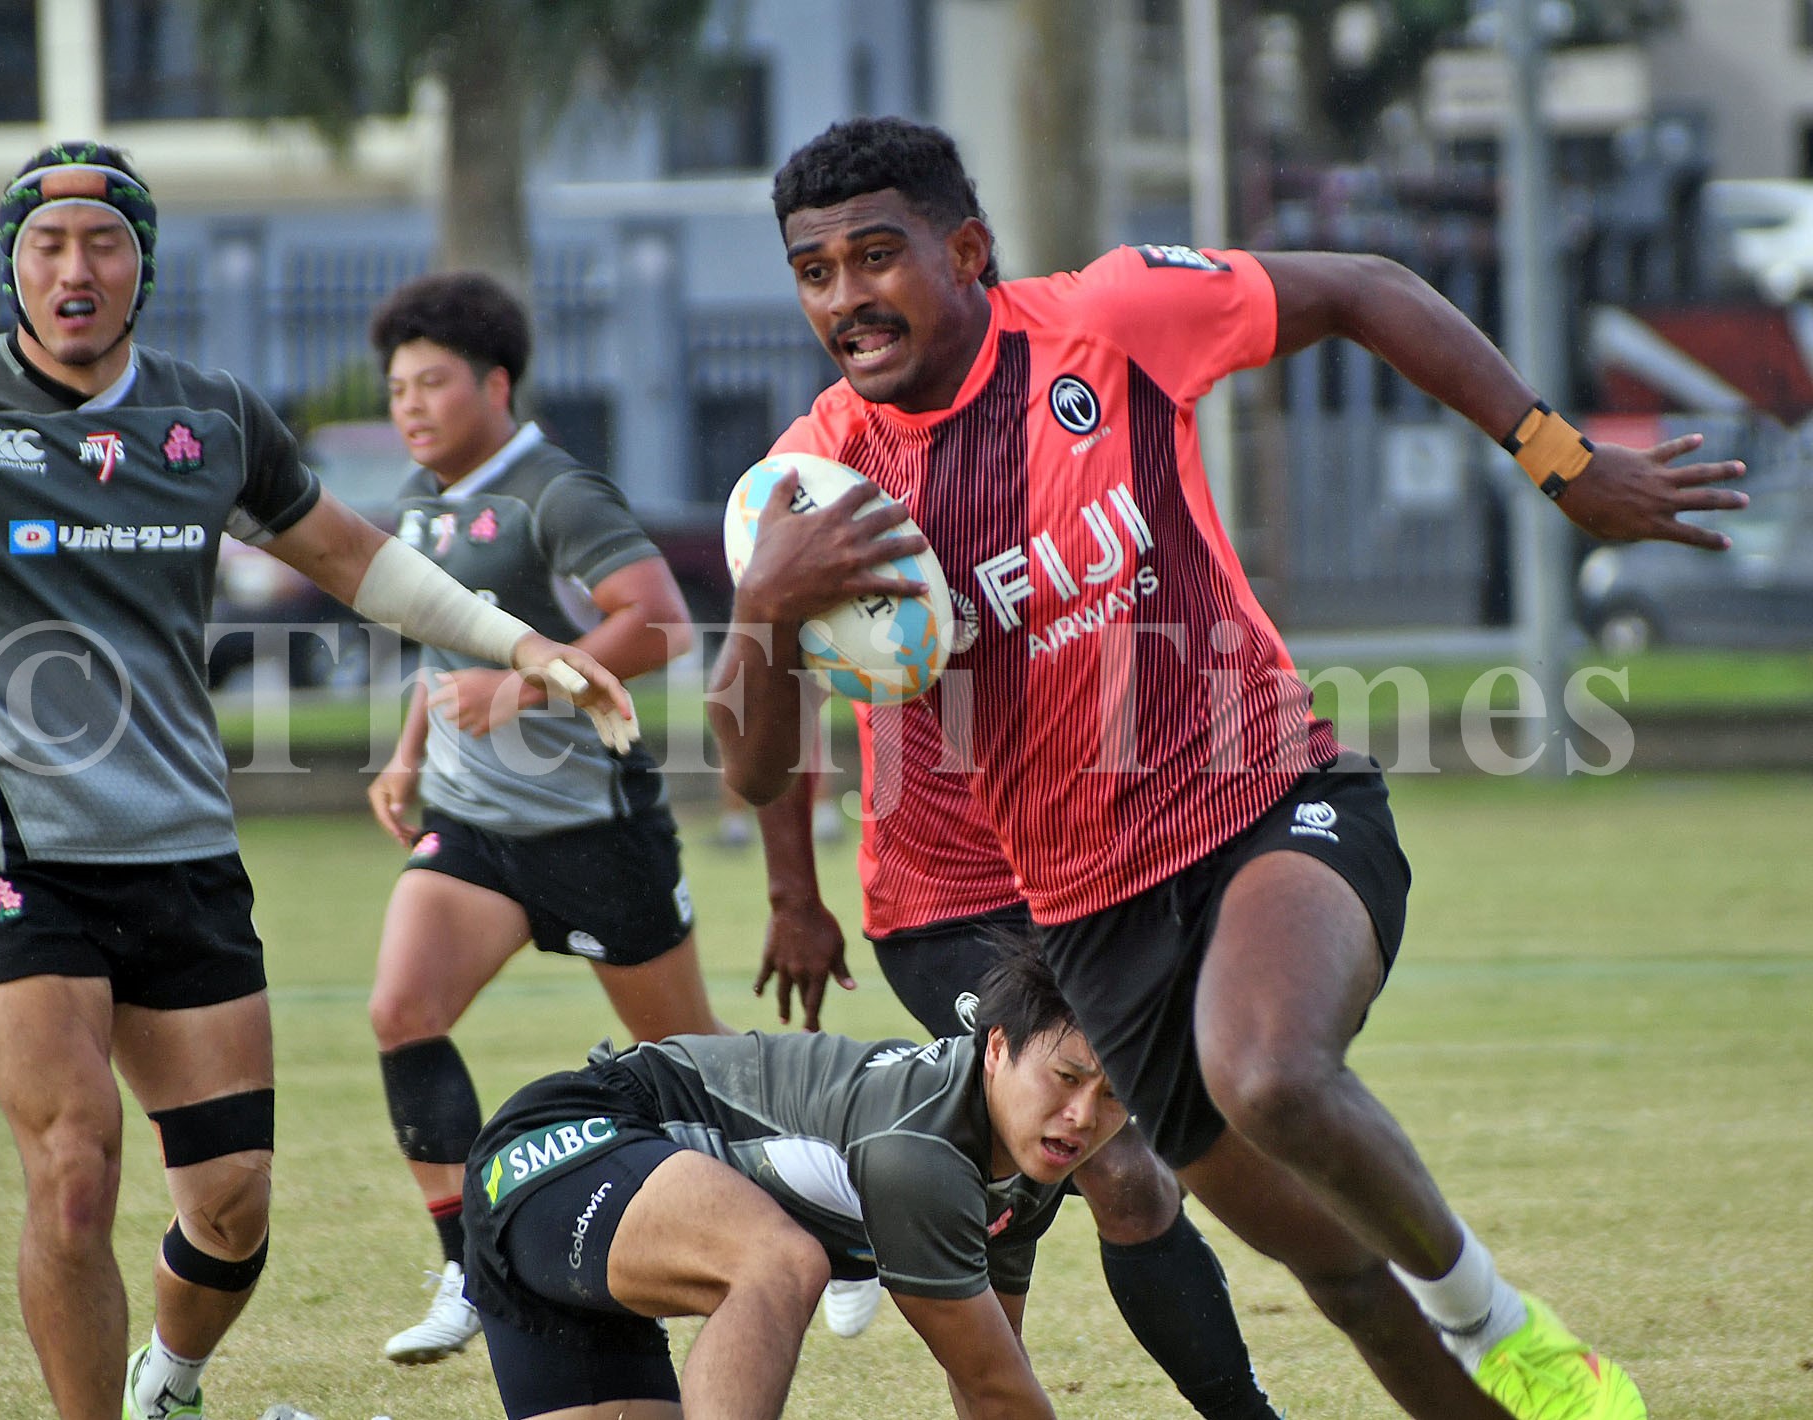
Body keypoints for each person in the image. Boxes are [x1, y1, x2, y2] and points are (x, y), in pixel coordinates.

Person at [710, 116, 1751, 1420]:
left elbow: (1364, 288)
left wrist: (1559, 458)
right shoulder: (815, 484)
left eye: (877, 256)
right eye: (814, 273)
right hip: (1090, 920)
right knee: (1339, 1274)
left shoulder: (1110, 323)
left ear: (966, 250)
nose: (846, 300)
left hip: (1268, 805)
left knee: (1268, 1073)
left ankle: (1501, 1325)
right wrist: (764, 607)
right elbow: (754, 770)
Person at [0, 143, 634, 1420]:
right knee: (74, 1167)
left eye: (103, 242)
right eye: (45, 244)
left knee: (232, 1204)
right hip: (12, 856)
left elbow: (353, 559)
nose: (74, 267)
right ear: (12, 266)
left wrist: (523, 645)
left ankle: (174, 1381)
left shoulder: (213, 418)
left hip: (182, 856)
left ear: (140, 266)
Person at [357, 270, 731, 1366]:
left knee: (690, 1061)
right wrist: (408, 752)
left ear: (496, 385)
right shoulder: (420, 502)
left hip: (592, 829)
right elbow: (446, 649)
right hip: (475, 827)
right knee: (401, 1010)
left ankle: (830, 1201)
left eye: (433, 383)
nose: (411, 406)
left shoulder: (555, 494)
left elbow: (659, 624)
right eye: (398, 388)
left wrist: (524, 686)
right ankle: (467, 1270)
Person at [756, 767, 1281, 1418]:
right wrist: (793, 896)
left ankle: (859, 1215)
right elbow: (778, 712)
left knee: (1164, 1153)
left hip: (1084, 883)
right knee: (1120, 1170)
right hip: (946, 899)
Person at [460, 935, 1131, 1420]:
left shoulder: (1029, 1159)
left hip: (569, 1228)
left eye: (1113, 1094)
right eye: (1066, 1077)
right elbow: (994, 1387)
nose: (1082, 1116)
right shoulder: (918, 1152)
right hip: (559, 1149)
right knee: (779, 1261)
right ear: (997, 1048)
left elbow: (991, 1373)